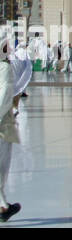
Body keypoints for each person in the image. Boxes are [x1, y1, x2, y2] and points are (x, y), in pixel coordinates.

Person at [0, 41, 21, 222]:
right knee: (1, 165)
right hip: (2, 124)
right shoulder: (4, 69)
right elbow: (5, 94)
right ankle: (3, 206)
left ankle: (3, 206)